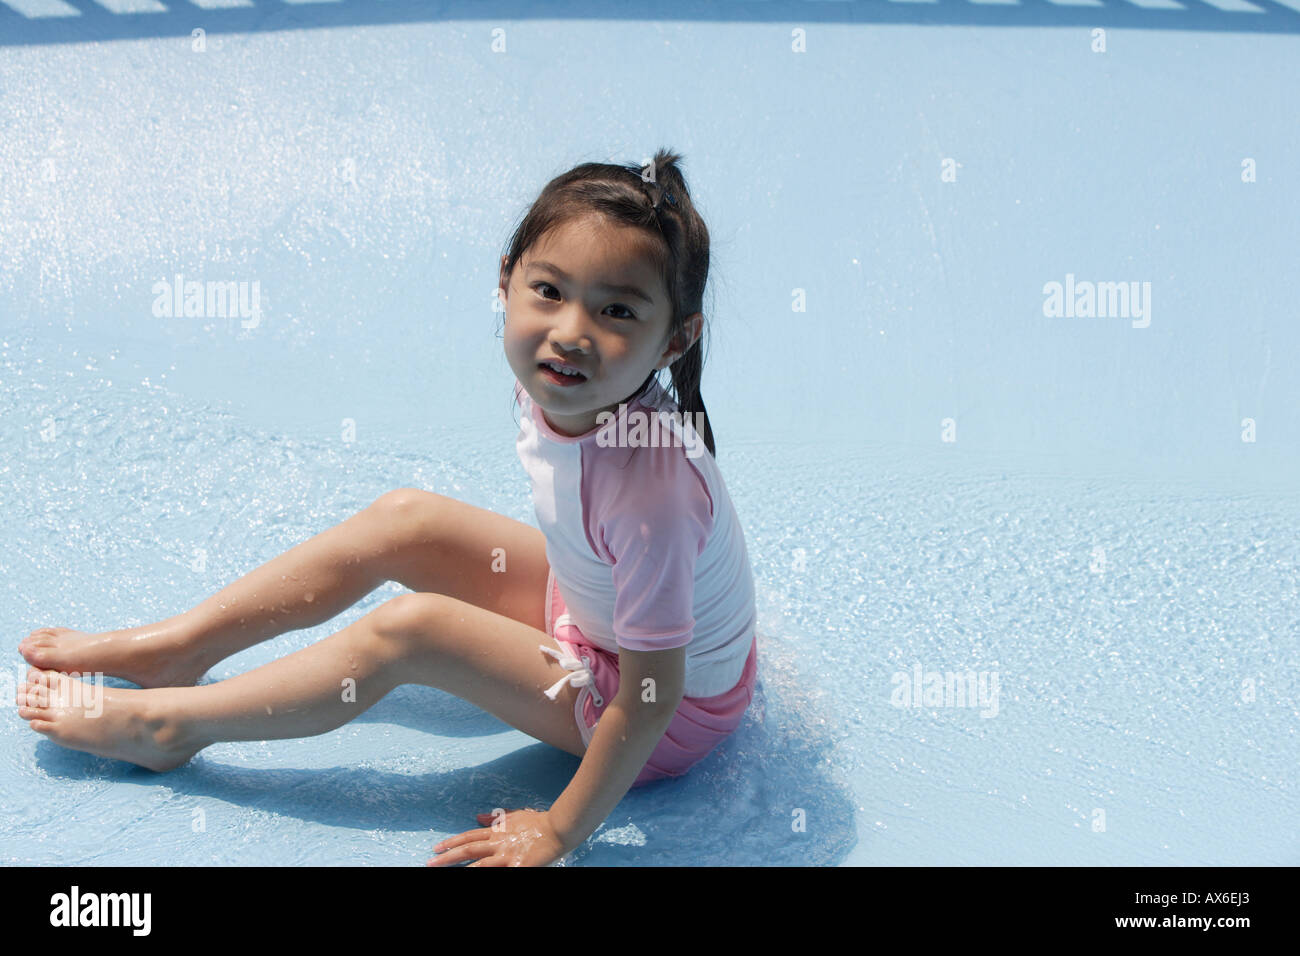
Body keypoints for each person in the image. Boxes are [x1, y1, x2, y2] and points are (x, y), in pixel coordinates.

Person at [14, 148, 759, 867]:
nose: (571, 332)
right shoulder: (581, 391)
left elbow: (652, 695)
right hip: (592, 610)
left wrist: (560, 830)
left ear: (675, 339)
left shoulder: (649, 492)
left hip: (652, 711)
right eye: (550, 292)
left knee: (412, 631)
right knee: (407, 519)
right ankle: (178, 649)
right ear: (506, 281)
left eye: (618, 310)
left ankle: (166, 727)